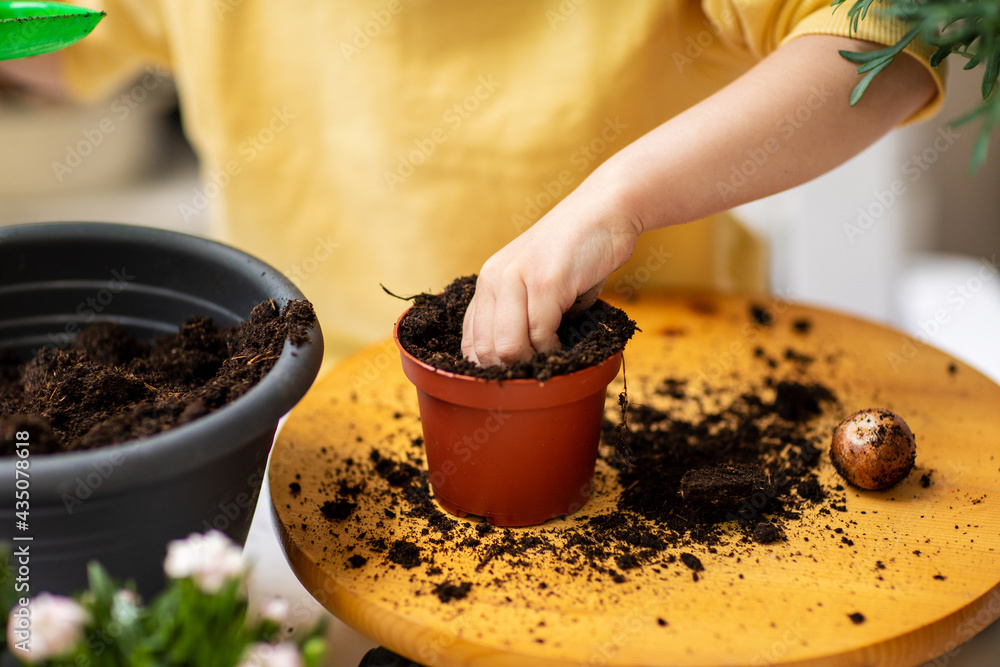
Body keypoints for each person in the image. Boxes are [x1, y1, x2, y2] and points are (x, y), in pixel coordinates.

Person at [0, 1, 941, 369]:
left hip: (664, 380)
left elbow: (889, 41)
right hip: (319, 404)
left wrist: (619, 199)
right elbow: (64, 36)